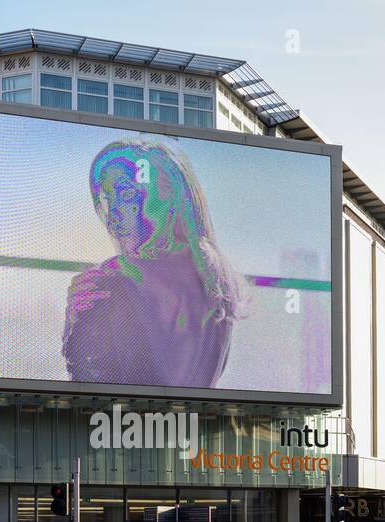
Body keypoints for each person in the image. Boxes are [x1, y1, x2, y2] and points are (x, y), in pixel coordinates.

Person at [62, 138, 251, 389]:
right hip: (194, 424)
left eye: (128, 193)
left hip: (124, 425)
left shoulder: (111, 279)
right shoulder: (219, 276)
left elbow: (87, 380)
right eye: (109, 199)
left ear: (173, 195)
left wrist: (75, 321)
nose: (115, 214)